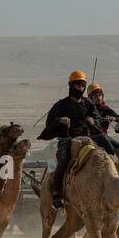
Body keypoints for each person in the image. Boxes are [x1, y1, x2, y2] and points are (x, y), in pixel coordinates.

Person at [37, 71, 95, 208]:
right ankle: (57, 194)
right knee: (63, 161)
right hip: (66, 140)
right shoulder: (61, 105)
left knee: (105, 154)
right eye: (77, 85)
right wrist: (60, 121)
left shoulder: (88, 104)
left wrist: (92, 119)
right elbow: (49, 123)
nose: (80, 88)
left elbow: (96, 116)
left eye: (82, 85)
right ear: (71, 86)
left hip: (86, 140)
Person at [88, 83, 119, 158]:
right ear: (91, 98)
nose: (98, 98)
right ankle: (114, 159)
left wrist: (114, 118)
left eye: (100, 95)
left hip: (105, 137)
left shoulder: (105, 109)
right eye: (96, 96)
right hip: (93, 137)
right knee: (113, 152)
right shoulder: (88, 109)